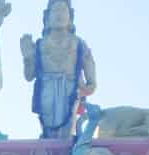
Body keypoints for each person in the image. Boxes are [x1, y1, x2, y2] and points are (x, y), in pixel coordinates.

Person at [21, 0, 96, 139]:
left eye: (63, 10)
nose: (59, 15)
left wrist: (90, 84)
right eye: (55, 11)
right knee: (48, 130)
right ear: (47, 17)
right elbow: (29, 76)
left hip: (70, 88)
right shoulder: (40, 44)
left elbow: (88, 62)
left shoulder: (77, 43)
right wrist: (28, 58)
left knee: (67, 129)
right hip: (46, 90)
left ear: (70, 17)